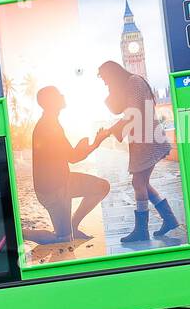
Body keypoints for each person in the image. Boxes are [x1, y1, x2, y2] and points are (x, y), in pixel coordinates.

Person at [97, 60, 179, 243]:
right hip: (142, 139)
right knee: (142, 183)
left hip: (147, 140)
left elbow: (133, 112)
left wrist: (111, 130)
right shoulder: (128, 84)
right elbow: (119, 109)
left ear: (113, 73)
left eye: (105, 78)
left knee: (138, 183)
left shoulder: (133, 82)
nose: (105, 82)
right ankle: (169, 219)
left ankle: (142, 230)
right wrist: (112, 92)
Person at [31, 86, 110, 242]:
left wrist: (91, 145)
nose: (63, 95)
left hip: (64, 181)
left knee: (102, 187)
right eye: (59, 94)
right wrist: (94, 144)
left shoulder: (52, 122)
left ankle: (73, 225)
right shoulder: (48, 125)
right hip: (53, 191)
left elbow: (69, 155)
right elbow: (73, 157)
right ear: (52, 102)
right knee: (64, 239)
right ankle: (20, 233)